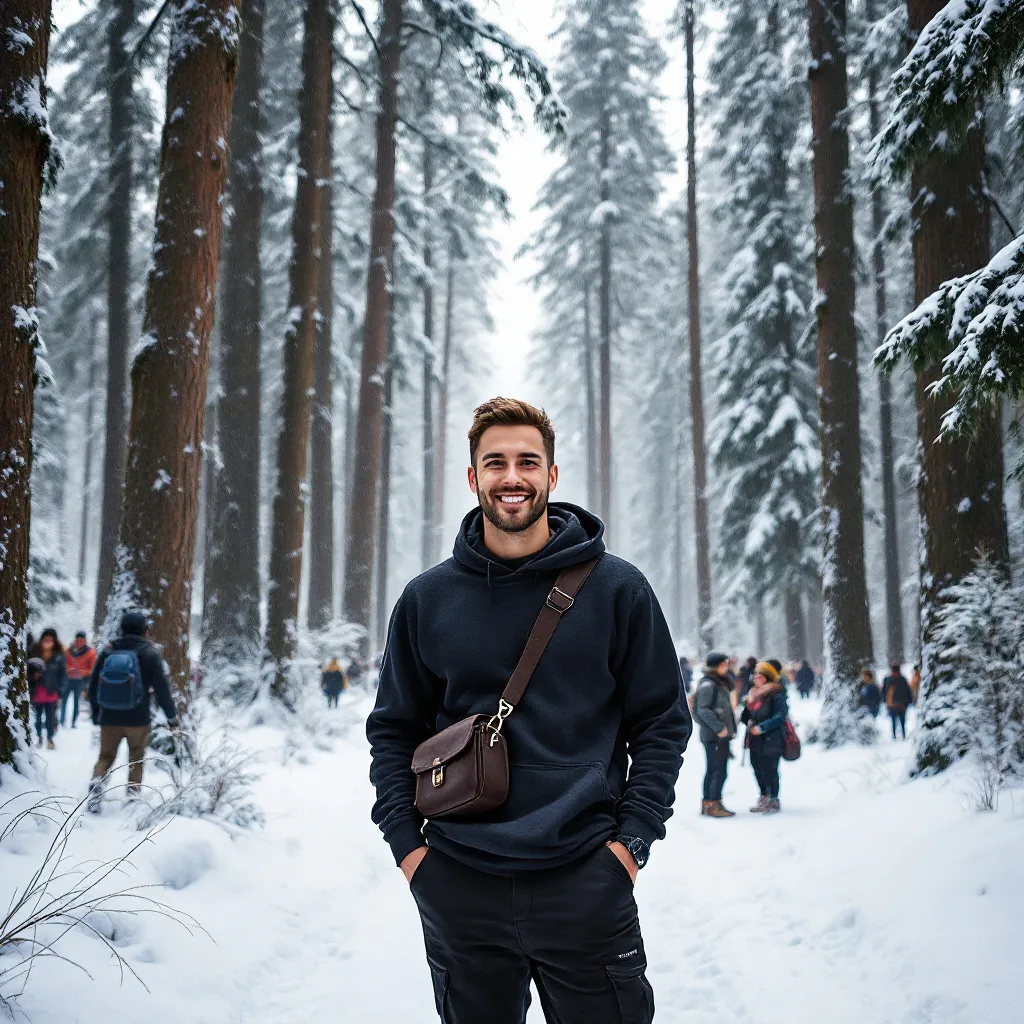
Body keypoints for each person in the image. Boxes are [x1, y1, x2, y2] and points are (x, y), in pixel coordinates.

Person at [367, 397, 691, 1024]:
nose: (511, 477)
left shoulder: (618, 590)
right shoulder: (427, 599)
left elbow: (661, 722)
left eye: (527, 462)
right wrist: (411, 853)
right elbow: (393, 730)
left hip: (586, 879)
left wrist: (629, 847)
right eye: (495, 463)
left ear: (551, 475)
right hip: (459, 881)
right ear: (472, 478)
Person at [87, 610, 179, 806]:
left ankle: (97, 782)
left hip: (109, 717)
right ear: (145, 631)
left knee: (105, 756)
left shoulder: (108, 652)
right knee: (136, 757)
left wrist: (96, 713)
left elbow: (94, 684)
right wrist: (172, 718)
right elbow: (162, 689)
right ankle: (132, 796)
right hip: (138, 718)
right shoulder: (149, 654)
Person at [741, 661, 789, 814]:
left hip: (771, 739)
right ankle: (763, 796)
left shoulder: (776, 694)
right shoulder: (753, 694)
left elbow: (781, 716)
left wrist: (762, 727)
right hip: (755, 740)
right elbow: (745, 717)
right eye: (755, 675)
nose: (755, 678)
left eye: (759, 676)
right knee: (757, 768)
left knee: (771, 769)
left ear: (767, 678)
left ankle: (773, 799)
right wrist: (747, 709)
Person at [693, 653, 737, 818]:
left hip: (719, 736)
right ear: (715, 666)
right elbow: (702, 710)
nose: (727, 667)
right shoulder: (708, 684)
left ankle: (713, 801)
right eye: (724, 664)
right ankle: (711, 804)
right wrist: (719, 729)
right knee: (716, 770)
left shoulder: (717, 682)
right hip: (714, 736)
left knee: (718, 769)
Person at [30, 628, 68, 744]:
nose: (47, 642)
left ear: (54, 642)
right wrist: (33, 676)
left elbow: (63, 674)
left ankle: (50, 739)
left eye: (51, 640)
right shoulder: (33, 653)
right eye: (45, 639)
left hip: (52, 691)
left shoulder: (59, 656)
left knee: (50, 717)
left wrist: (61, 689)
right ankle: (38, 737)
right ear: (41, 640)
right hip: (36, 690)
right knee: (37, 716)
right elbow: (27, 670)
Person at [64, 630, 96, 728]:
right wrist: (69, 670)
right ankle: (62, 721)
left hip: (80, 680)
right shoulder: (68, 651)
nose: (79, 642)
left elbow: (92, 669)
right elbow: (63, 664)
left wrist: (82, 672)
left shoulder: (90, 652)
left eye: (81, 640)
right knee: (64, 701)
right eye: (78, 639)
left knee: (76, 701)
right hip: (68, 679)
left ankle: (73, 721)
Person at [28, 656, 59, 749]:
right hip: (37, 700)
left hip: (50, 699)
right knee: (37, 719)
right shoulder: (30, 678)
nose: (37, 675)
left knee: (50, 720)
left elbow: (55, 684)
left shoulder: (49, 673)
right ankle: (39, 737)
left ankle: (50, 739)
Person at [882, 664, 913, 740]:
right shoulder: (903, 679)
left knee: (893, 721)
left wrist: (885, 700)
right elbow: (908, 691)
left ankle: (894, 735)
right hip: (902, 704)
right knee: (902, 721)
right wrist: (909, 701)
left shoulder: (888, 679)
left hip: (892, 704)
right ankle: (903, 735)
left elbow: (883, 691)